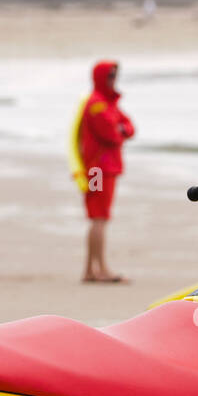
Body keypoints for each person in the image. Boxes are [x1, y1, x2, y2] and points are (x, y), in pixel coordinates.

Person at [70, 60, 135, 283]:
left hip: (106, 167)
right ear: (100, 78)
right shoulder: (97, 104)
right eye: (109, 76)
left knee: (100, 218)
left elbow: (129, 126)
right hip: (98, 169)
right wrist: (121, 129)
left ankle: (91, 269)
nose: (113, 80)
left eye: (115, 75)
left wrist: (121, 128)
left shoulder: (107, 103)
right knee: (99, 217)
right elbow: (112, 134)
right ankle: (99, 269)